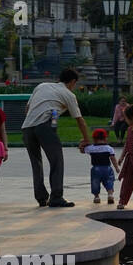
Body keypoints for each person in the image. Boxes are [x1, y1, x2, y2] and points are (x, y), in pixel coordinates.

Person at [22, 68, 92, 208]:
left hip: (27, 127)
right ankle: (56, 197)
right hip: (44, 126)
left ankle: (41, 198)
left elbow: (28, 108)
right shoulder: (68, 94)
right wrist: (86, 140)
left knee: (36, 163)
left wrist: (52, 125)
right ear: (72, 82)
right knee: (56, 161)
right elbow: (80, 120)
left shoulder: (42, 86)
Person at [87, 127, 117, 205]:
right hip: (107, 168)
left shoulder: (91, 148)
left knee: (95, 182)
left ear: (94, 139)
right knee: (109, 181)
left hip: (96, 168)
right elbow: (113, 158)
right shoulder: (109, 148)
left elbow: (82, 150)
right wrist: (116, 168)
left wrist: (82, 143)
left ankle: (96, 197)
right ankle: (110, 195)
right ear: (105, 138)